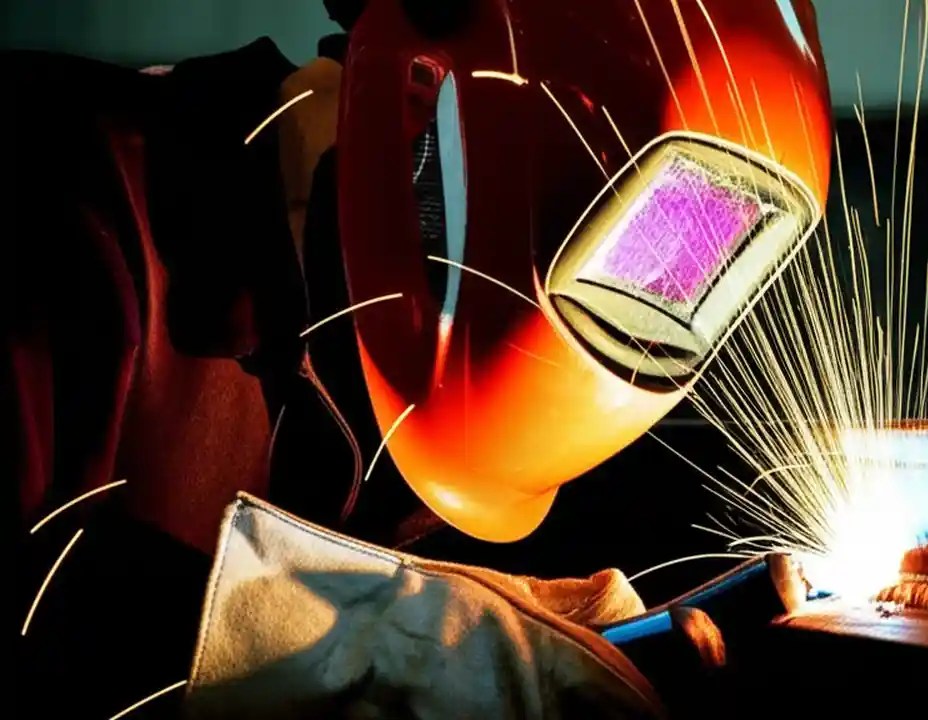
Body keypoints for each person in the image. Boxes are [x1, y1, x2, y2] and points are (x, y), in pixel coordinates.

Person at [8, 0, 832, 715]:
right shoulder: (58, 198)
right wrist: (386, 659)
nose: (655, 274)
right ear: (427, 94)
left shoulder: (431, 414)